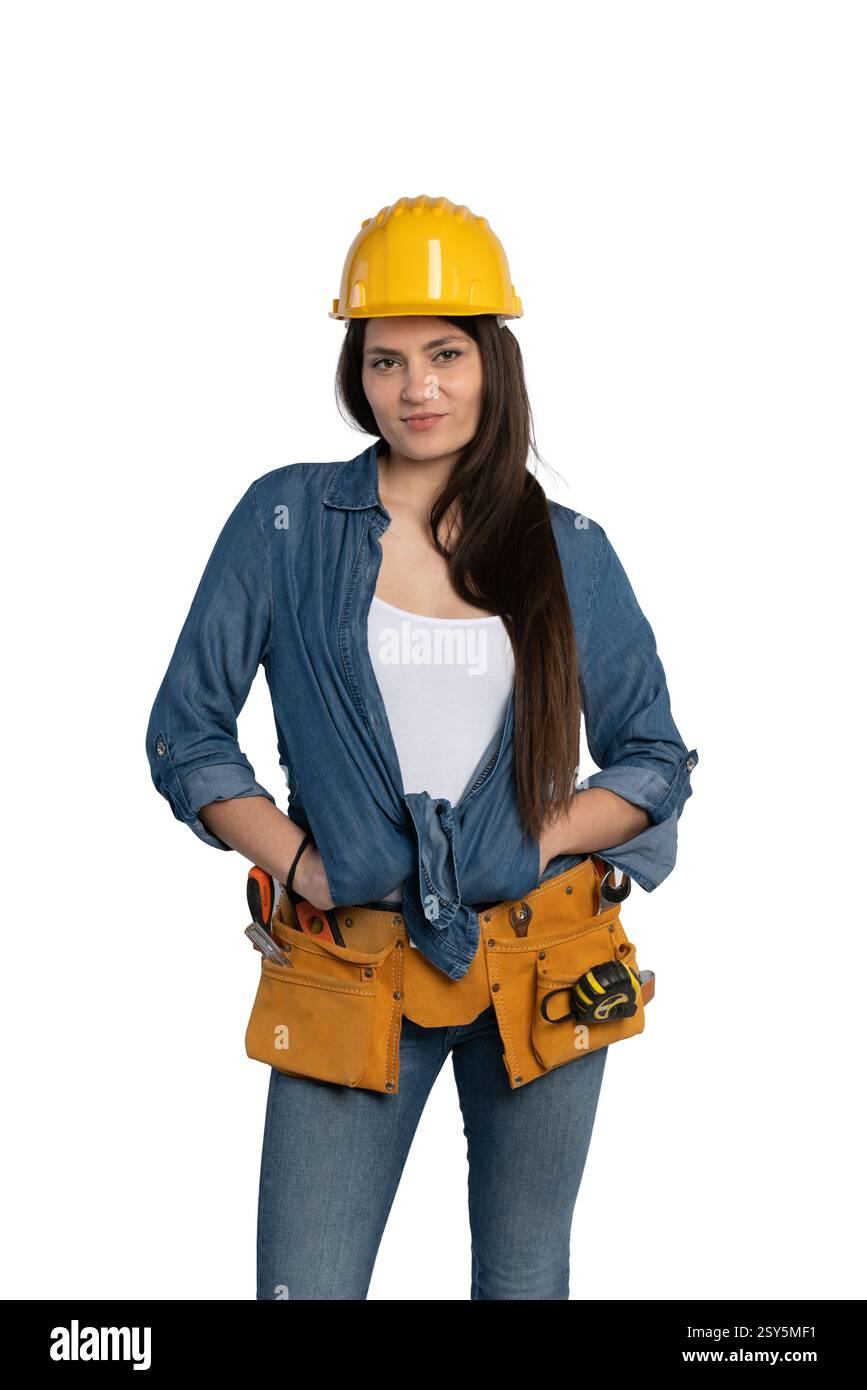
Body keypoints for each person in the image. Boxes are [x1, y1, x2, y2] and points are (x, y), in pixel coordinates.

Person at [145, 195, 698, 1299]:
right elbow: (188, 732)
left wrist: (540, 836)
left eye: (446, 353)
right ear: (358, 369)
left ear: (494, 362)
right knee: (306, 1285)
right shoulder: (287, 522)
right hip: (352, 966)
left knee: (526, 1280)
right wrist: (299, 862)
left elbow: (653, 756)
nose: (418, 390)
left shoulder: (569, 551)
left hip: (542, 962)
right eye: (386, 359)